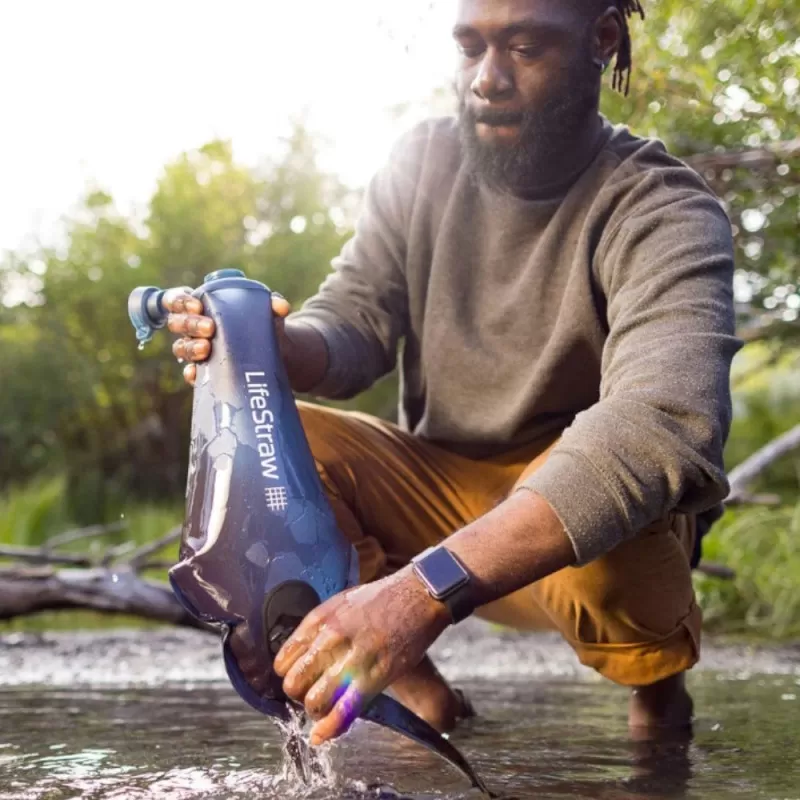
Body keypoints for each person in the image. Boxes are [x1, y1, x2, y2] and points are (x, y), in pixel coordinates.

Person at [163, 0, 741, 748]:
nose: (486, 80)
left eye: (525, 48)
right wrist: (272, 345)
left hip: (579, 535)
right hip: (437, 498)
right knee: (280, 440)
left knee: (616, 514)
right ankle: (425, 701)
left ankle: (658, 696)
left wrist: (419, 594)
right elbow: (355, 320)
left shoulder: (664, 209)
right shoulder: (421, 162)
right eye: (470, 49)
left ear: (601, 39)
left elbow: (663, 425)